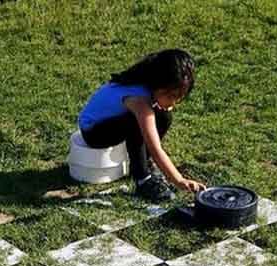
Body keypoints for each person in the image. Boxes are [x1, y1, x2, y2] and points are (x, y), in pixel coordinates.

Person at [78, 48, 206, 202]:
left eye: (178, 98)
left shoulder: (146, 84)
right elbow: (155, 147)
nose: (174, 103)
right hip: (93, 132)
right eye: (171, 96)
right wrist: (178, 179)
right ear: (159, 84)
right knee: (137, 124)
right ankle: (142, 179)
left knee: (163, 116)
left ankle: (145, 164)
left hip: (112, 122)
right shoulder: (139, 101)